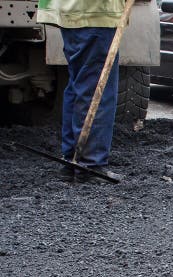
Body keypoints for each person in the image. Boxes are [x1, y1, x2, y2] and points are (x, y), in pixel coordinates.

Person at [37, 0, 123, 182]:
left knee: (79, 85)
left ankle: (72, 160)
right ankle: (89, 164)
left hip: (73, 12)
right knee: (97, 88)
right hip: (94, 12)